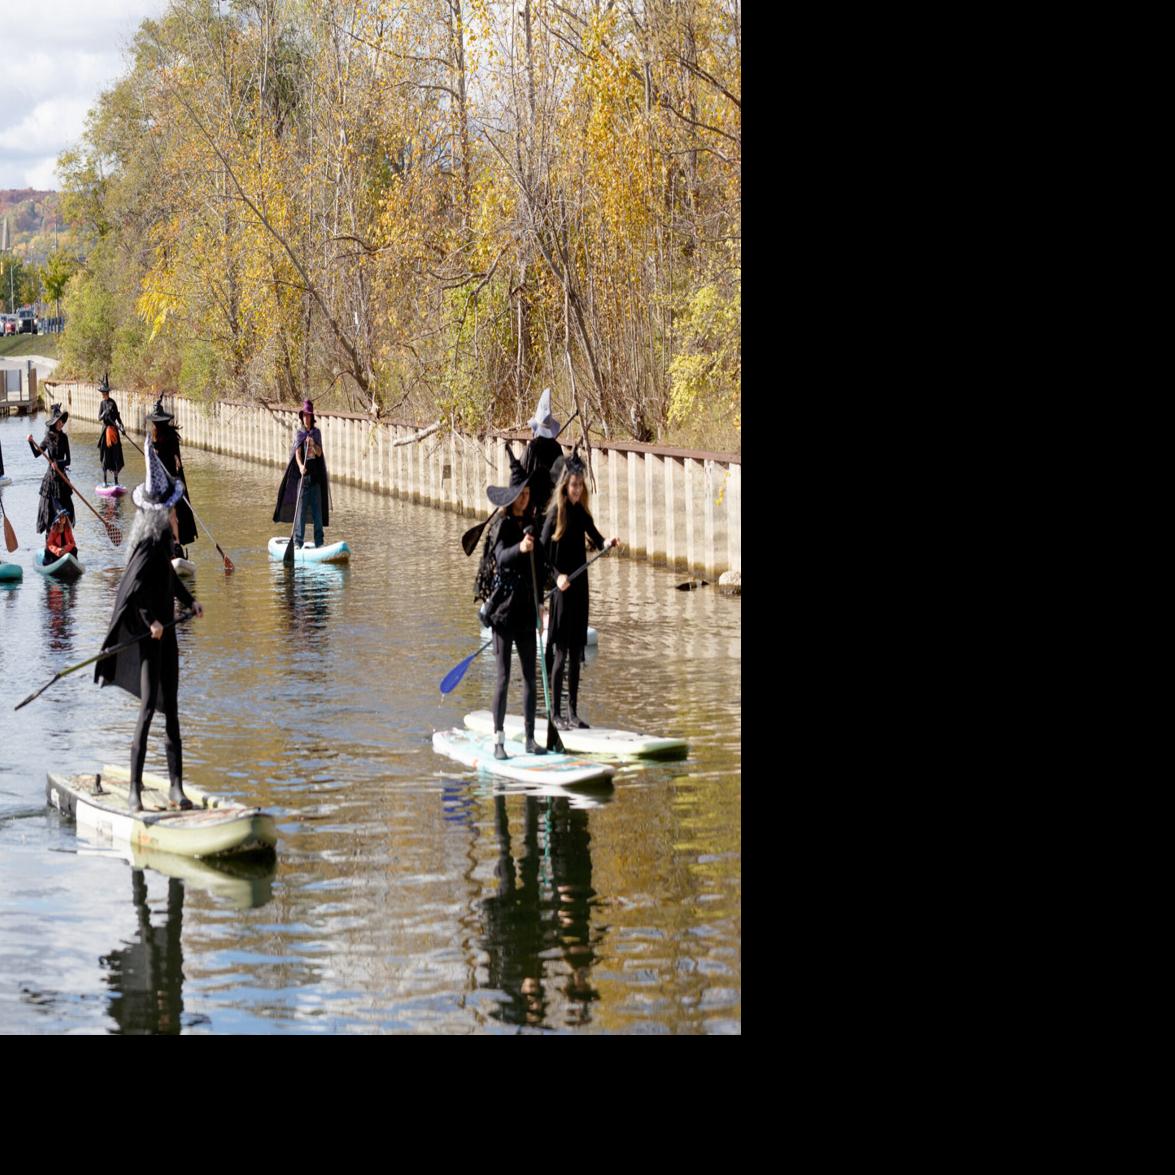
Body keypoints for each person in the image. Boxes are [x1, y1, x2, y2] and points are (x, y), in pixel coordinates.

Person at [94, 442, 204, 813]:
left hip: (167, 637)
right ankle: (134, 791)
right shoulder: (146, 545)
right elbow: (131, 596)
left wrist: (190, 603)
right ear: (161, 515)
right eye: (173, 509)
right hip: (147, 640)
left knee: (171, 710)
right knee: (145, 714)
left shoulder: (165, 546)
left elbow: (170, 584)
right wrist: (151, 621)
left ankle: (176, 789)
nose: (177, 514)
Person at [540, 450, 619, 728]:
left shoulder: (581, 512)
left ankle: (573, 713)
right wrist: (557, 577)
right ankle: (555, 714)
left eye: (580, 485)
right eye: (573, 485)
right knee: (561, 654)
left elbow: (596, 539)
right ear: (564, 485)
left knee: (577, 653)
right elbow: (541, 555)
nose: (577, 489)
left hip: (580, 588)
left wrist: (607, 542)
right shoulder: (554, 516)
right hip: (563, 589)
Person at [482, 446, 548, 758]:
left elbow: (540, 569)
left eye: (528, 493)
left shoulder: (532, 527)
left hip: (526, 612)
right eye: (521, 494)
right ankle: (498, 741)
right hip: (503, 613)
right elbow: (501, 559)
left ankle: (531, 739)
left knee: (530, 679)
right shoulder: (504, 527)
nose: (526, 498)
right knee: (504, 678)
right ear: (513, 496)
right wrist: (520, 549)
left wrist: (540, 605)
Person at [272, 399, 331, 549]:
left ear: (311, 417)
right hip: (303, 480)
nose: (306, 418)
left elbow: (319, 453)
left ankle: (319, 543)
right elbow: (297, 453)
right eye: (304, 415)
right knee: (300, 514)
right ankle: (298, 543)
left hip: (315, 480)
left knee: (318, 514)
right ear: (302, 417)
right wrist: (300, 466)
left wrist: (313, 444)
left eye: (308, 415)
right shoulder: (299, 434)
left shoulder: (316, 434)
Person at [147, 398, 197, 559]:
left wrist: (175, 470)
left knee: (172, 512)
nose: (155, 424)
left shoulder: (171, 437)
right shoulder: (152, 438)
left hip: (171, 479)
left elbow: (177, 460)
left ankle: (176, 544)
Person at [27, 403, 74, 537]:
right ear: (54, 423)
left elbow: (68, 460)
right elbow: (37, 453)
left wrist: (58, 463)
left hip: (62, 478)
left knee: (65, 511)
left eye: (62, 422)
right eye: (59, 422)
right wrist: (31, 442)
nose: (61, 424)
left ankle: (64, 541)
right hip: (51, 480)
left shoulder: (64, 438)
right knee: (50, 512)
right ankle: (49, 541)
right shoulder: (48, 438)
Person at [522, 388, 564, 522]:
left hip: (532, 508)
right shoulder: (557, 448)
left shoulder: (531, 448)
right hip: (552, 508)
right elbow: (561, 478)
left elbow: (521, 477)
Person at [97, 373, 125, 487]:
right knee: (105, 456)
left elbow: (118, 417)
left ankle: (116, 481)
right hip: (105, 432)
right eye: (102, 393)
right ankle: (104, 480)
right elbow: (99, 418)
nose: (103, 395)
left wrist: (122, 427)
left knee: (115, 456)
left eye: (105, 393)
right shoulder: (102, 403)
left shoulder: (113, 403)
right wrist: (104, 413)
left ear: (107, 393)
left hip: (114, 431)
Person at [42, 501, 78, 566]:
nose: (63, 519)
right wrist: (58, 550)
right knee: (48, 551)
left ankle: (73, 564)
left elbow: (73, 543)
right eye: (61, 517)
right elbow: (50, 544)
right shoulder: (54, 530)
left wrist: (66, 548)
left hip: (65, 550)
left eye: (64, 517)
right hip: (56, 551)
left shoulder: (68, 529)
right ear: (58, 519)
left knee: (74, 550)